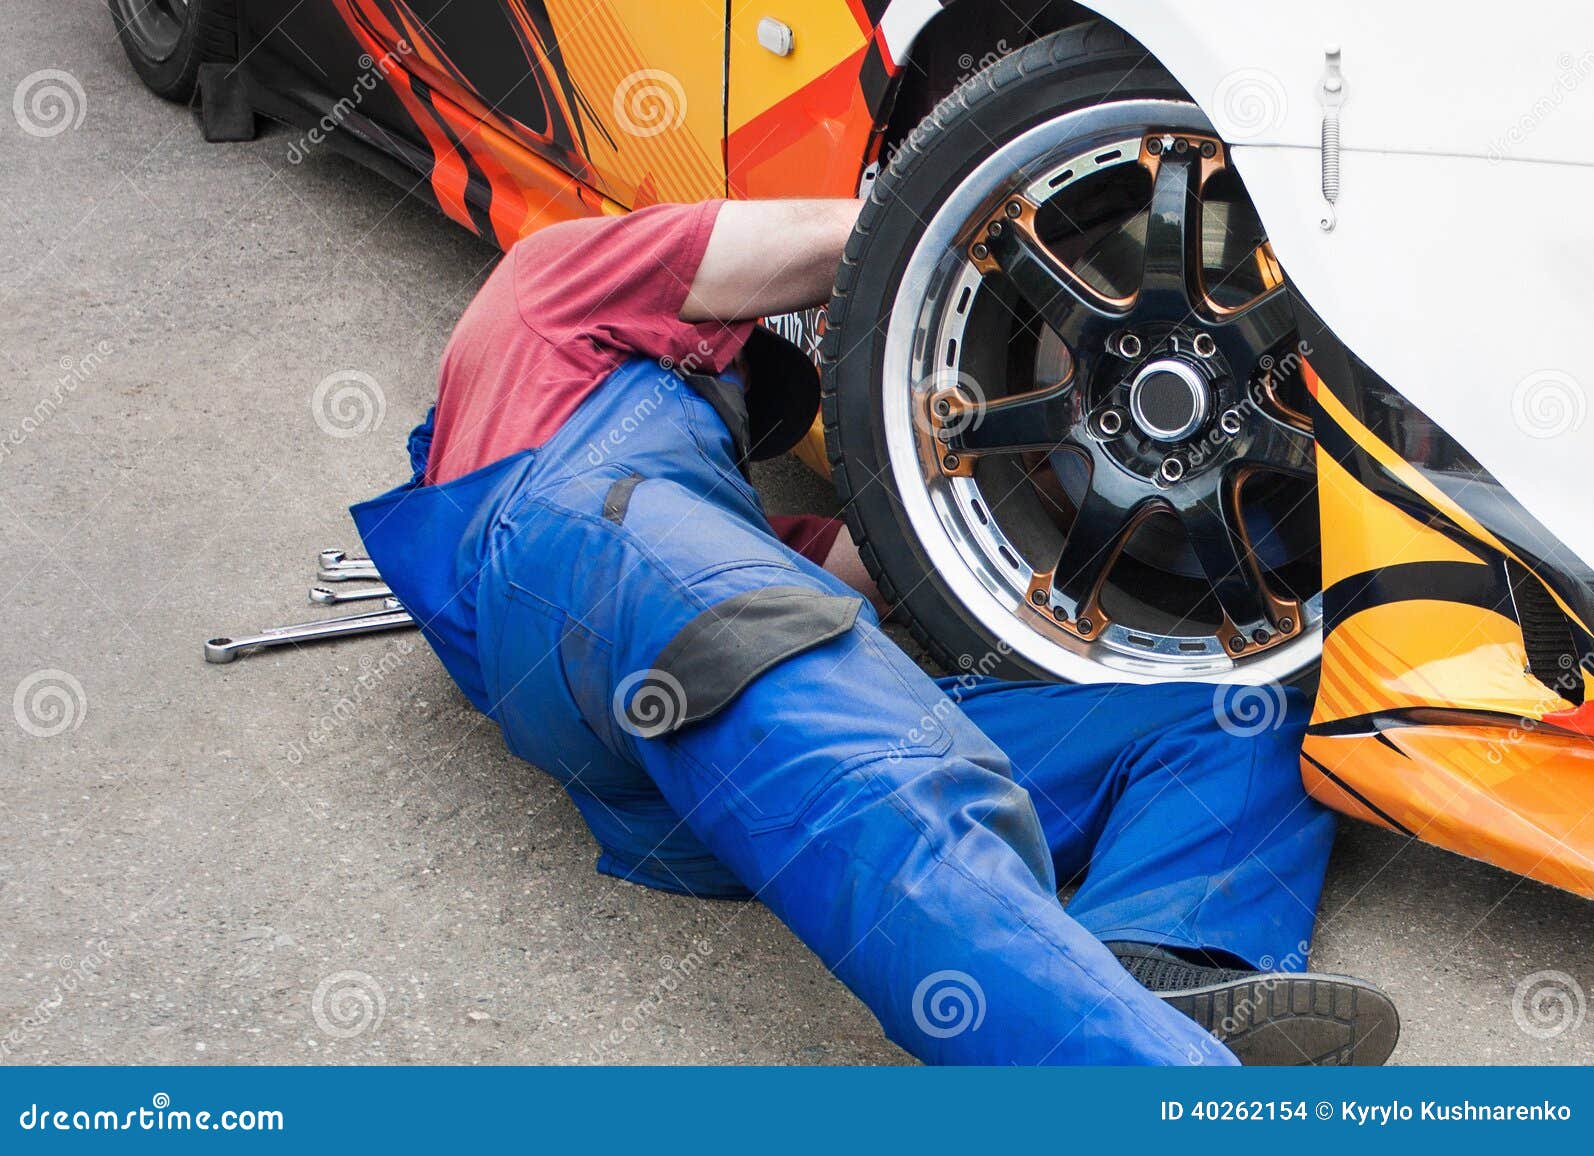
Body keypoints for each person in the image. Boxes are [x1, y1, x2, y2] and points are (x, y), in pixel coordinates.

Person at [350, 197, 1399, 1066]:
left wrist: (1056, 464)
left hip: (692, 786)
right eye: (729, 376)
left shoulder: (731, 529)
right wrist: (1027, 245)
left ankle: (1147, 952)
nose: (727, 406)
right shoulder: (550, 287)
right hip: (599, 553)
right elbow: (844, 233)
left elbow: (880, 570)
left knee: (1234, 716)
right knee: (898, 783)